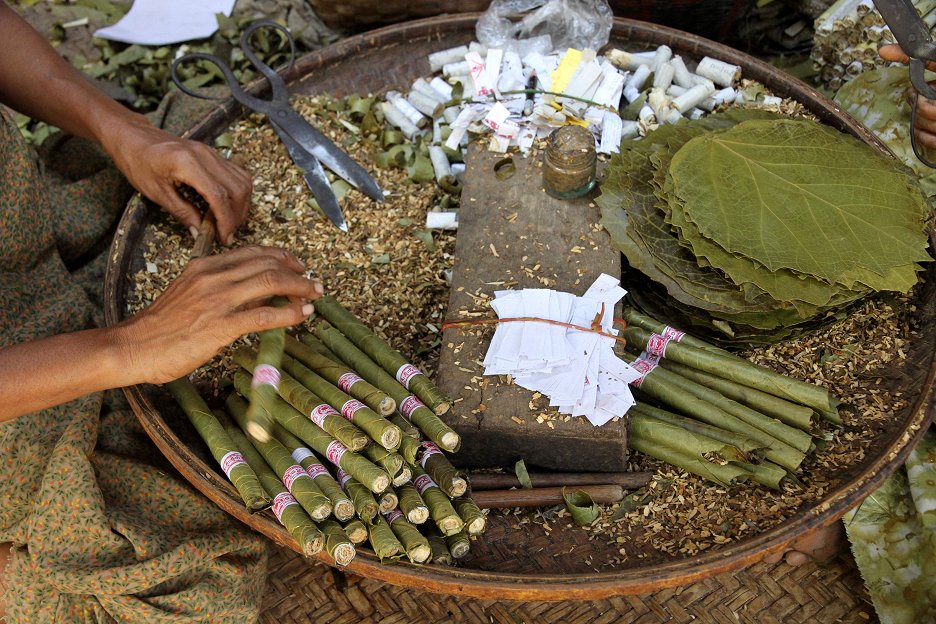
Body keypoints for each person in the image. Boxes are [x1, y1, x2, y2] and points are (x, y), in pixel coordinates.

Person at [0, 2, 323, 621]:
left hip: (27, 236)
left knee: (202, 138)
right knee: (196, 590)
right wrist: (128, 348)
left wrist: (120, 129)